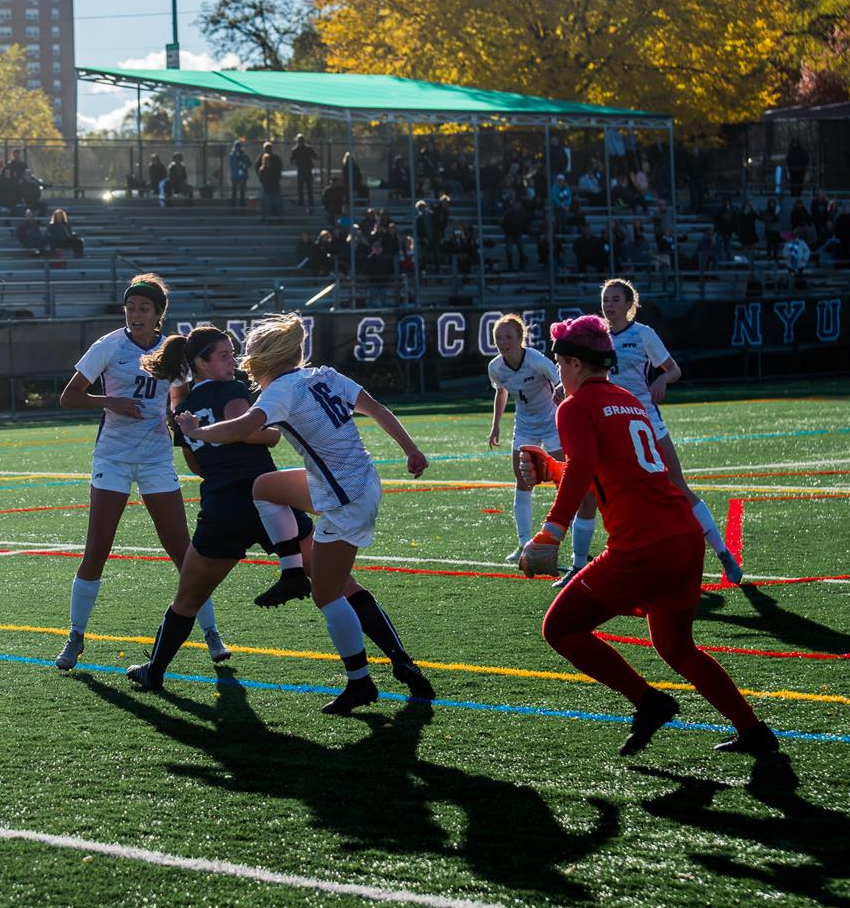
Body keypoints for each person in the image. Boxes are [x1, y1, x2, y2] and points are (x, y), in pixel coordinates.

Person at [127, 327, 433, 703]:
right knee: (340, 584)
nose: (235, 362)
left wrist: (201, 432)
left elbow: (204, 458)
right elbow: (261, 434)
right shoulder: (295, 381)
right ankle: (398, 658)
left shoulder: (191, 406)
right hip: (287, 493)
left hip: (228, 506)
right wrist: (411, 449)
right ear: (201, 363)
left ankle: (154, 671)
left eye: (235, 353)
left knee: (190, 598)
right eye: (224, 355)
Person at [519, 314, 779, 757]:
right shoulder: (628, 399)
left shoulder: (575, 407)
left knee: (560, 629)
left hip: (644, 545)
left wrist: (550, 532)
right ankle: (755, 731)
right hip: (682, 535)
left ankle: (648, 701)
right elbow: (614, 470)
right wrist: (552, 470)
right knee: (676, 646)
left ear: (578, 365)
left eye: (562, 364)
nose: (559, 374)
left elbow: (585, 470)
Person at [53, 274, 231, 671]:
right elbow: (69, 397)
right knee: (97, 549)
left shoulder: (173, 352)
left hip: (154, 459)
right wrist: (111, 401)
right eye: (131, 307)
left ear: (158, 315)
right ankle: (76, 636)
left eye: (144, 308)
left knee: (184, 552)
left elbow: (179, 399)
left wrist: (179, 425)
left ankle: (212, 633)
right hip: (113, 458)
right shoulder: (109, 346)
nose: (135, 314)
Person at [558, 279, 742, 589]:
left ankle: (723, 553)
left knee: (677, 487)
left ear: (630, 304)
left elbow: (673, 369)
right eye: (605, 299)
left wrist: (662, 380)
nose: (609, 304)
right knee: (588, 494)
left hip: (641, 421)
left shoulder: (643, 335)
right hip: (604, 423)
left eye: (616, 299)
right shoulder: (594, 339)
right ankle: (578, 566)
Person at [486, 314, 561, 562]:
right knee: (522, 481)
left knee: (565, 479)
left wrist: (566, 410)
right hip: (525, 426)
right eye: (498, 337)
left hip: (552, 423)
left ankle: (565, 541)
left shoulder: (536, 360)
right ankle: (523, 543)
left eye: (508, 336)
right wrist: (495, 425)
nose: (502, 341)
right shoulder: (495, 367)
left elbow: (560, 381)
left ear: (520, 338)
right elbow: (501, 392)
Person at [257, 141, 284, 218]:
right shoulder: (262, 168)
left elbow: (279, 170)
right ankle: (268, 221)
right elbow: (260, 175)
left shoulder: (276, 159)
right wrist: (265, 182)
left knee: (278, 206)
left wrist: (276, 178)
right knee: (267, 207)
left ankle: (279, 221)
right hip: (267, 189)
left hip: (275, 188)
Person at [291, 134, 317, 208]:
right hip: (301, 169)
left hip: (308, 169)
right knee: (301, 187)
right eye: (299, 140)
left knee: (309, 187)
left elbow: (314, 155)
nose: (300, 141)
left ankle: (310, 202)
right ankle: (301, 201)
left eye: (301, 140)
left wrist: (317, 157)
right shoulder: (295, 150)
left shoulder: (308, 148)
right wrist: (296, 162)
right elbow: (292, 160)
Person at [228, 139, 251, 208]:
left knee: (242, 192)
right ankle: (233, 208)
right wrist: (238, 162)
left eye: (239, 147)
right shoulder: (232, 155)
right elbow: (232, 165)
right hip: (235, 176)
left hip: (242, 176)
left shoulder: (244, 154)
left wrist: (244, 165)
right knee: (234, 192)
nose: (238, 148)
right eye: (236, 147)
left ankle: (242, 207)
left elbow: (249, 163)